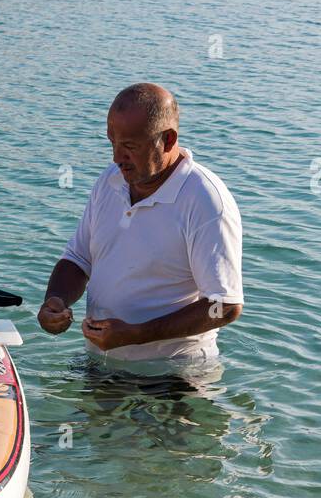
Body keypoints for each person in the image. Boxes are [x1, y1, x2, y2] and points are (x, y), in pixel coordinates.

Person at [38, 83, 243, 364]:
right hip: (101, 363)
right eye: (112, 143)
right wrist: (56, 301)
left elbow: (225, 304)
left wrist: (136, 334)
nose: (116, 158)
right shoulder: (110, 181)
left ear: (168, 140)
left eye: (129, 146)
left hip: (172, 376)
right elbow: (78, 258)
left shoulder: (206, 200)